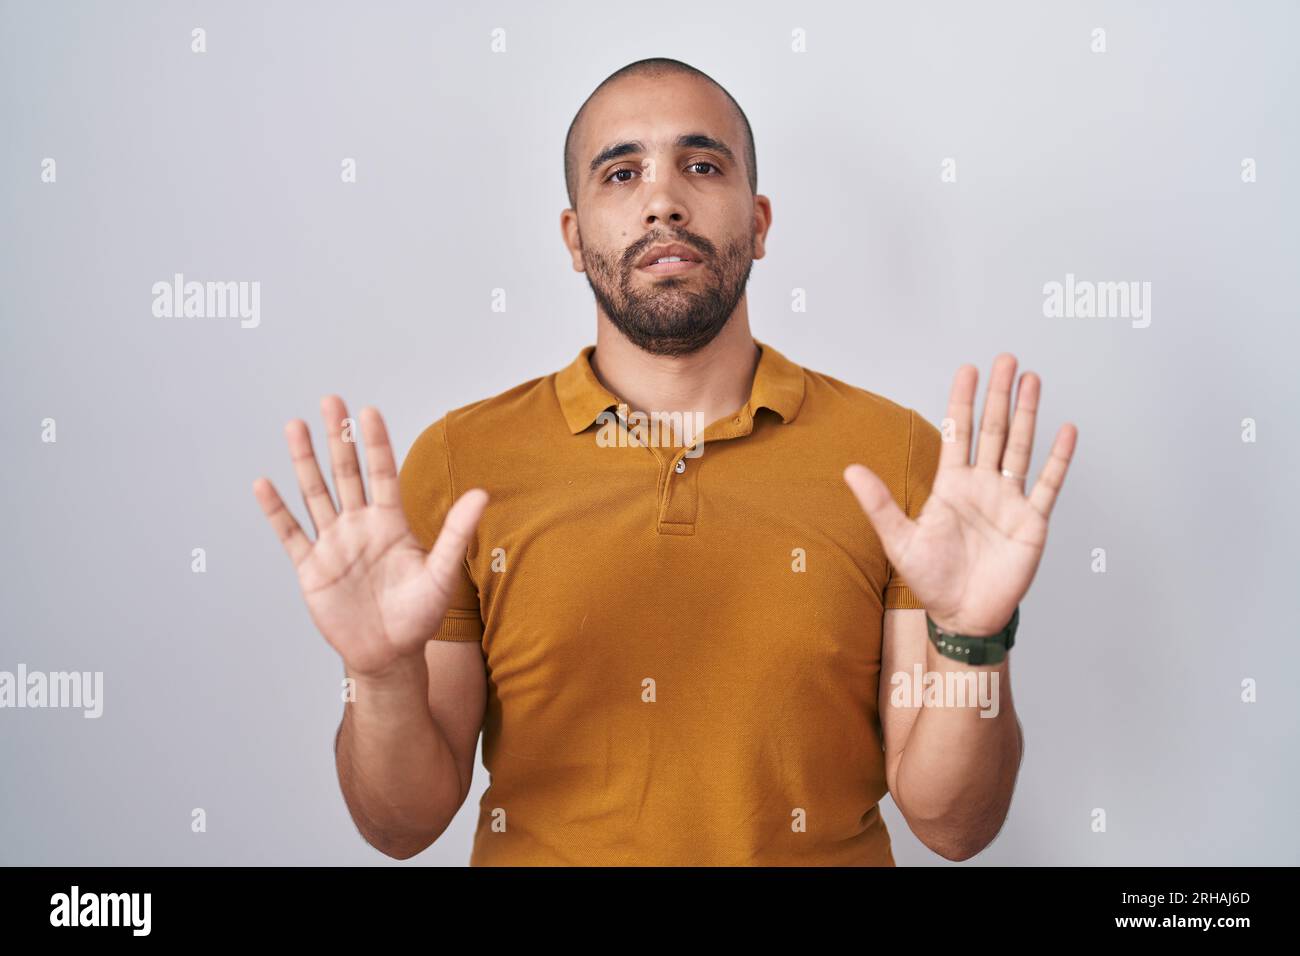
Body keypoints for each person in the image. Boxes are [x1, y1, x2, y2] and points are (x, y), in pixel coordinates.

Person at [252, 57, 1078, 865]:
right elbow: (402, 828)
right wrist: (381, 674)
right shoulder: (460, 462)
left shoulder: (894, 459)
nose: (663, 202)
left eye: (701, 165)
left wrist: (974, 642)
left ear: (758, 222)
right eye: (620, 174)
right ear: (574, 239)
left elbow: (954, 828)